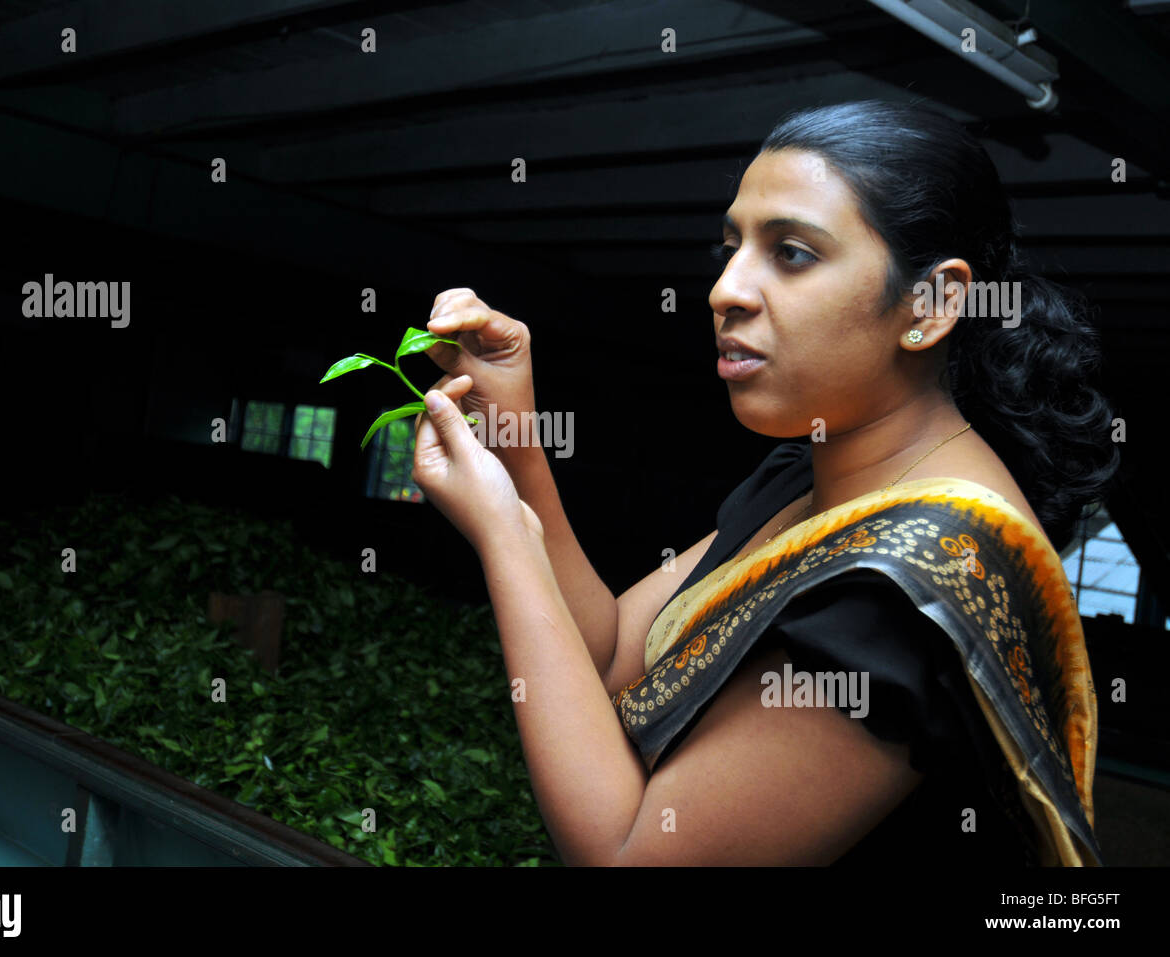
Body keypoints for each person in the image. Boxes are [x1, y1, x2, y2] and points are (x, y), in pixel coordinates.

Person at [408, 99, 1119, 866]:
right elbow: (614, 653)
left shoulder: (913, 582)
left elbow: (624, 854)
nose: (725, 291)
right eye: (731, 246)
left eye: (793, 253)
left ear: (933, 302)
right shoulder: (809, 468)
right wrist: (515, 437)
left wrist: (503, 536)